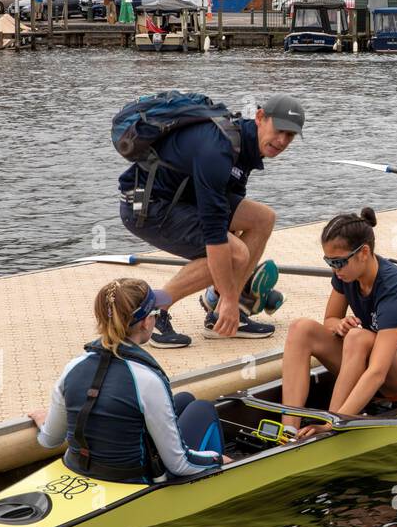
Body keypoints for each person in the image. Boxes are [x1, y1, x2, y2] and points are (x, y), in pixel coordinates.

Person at [117, 93, 304, 347]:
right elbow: (214, 231)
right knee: (235, 254)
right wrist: (227, 292)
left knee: (263, 219)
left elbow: (228, 206)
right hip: (147, 207)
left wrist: (226, 287)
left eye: (290, 136)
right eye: (279, 130)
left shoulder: (244, 144)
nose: (282, 141)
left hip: (179, 200)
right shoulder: (218, 149)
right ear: (260, 117)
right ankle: (154, 312)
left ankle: (224, 313)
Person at [29, 279, 227, 483]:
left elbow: (49, 440)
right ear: (145, 322)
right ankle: (223, 483)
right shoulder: (147, 380)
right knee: (202, 408)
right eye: (155, 314)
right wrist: (218, 458)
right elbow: (181, 464)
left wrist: (43, 420)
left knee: (184, 399)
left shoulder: (72, 368)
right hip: (135, 481)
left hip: (79, 468)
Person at [280, 209, 397, 436]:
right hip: (376, 362)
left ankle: (333, 421)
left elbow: (377, 371)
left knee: (357, 337)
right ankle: (288, 429)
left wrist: (329, 426)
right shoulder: (346, 274)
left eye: (338, 262)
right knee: (301, 329)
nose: (335, 270)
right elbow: (330, 320)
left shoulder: (396, 288)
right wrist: (339, 325)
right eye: (329, 262)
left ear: (363, 252)